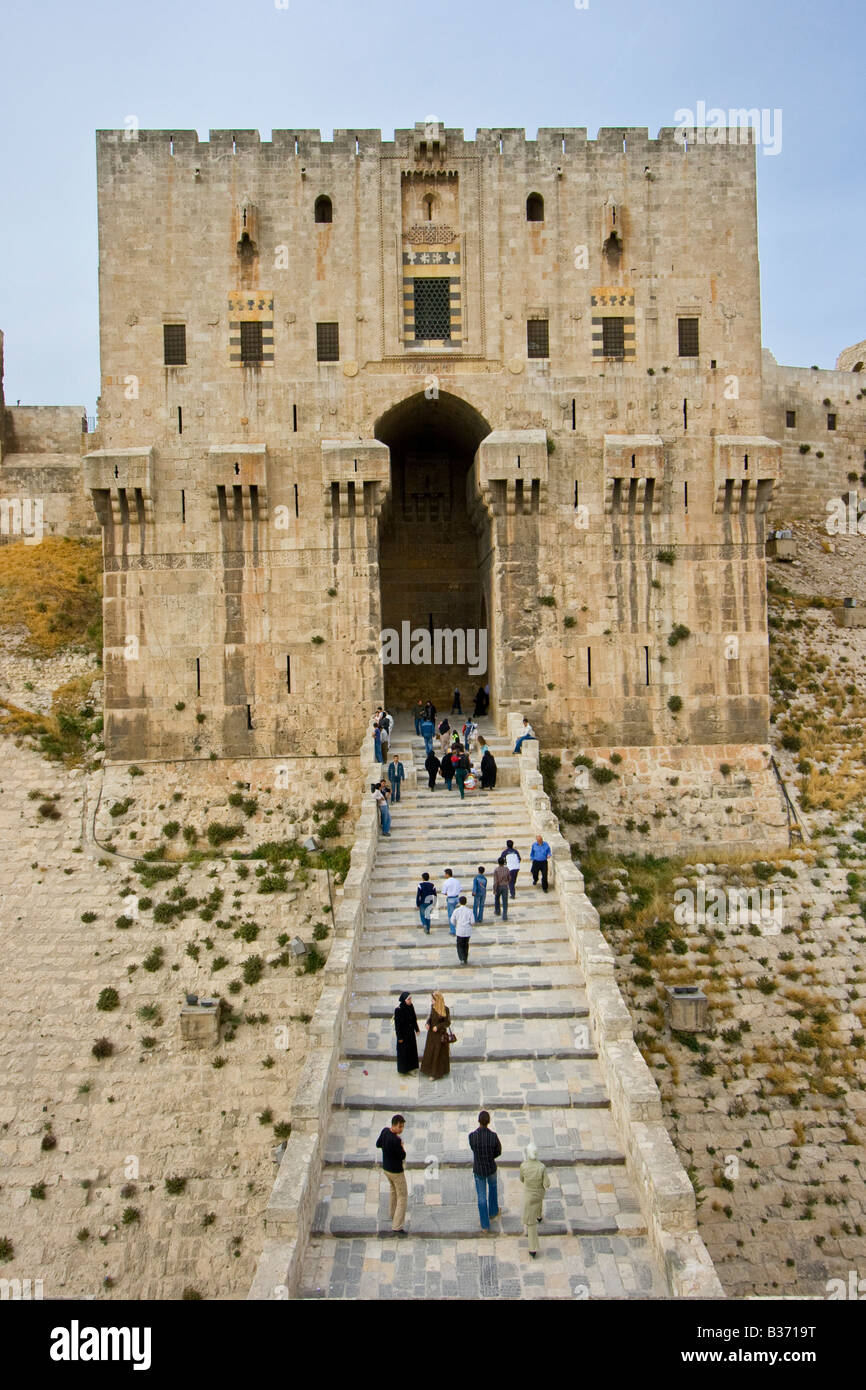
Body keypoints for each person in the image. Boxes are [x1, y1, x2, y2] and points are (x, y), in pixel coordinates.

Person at [469, 1110, 501, 1232]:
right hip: (491, 1167)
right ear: (488, 1122)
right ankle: (493, 1211)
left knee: (481, 1196)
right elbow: (499, 1151)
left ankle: (485, 1225)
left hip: (479, 1169)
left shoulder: (472, 1136)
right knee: (493, 1187)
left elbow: (473, 1148)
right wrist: (490, 1156)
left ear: (479, 1121)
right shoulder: (493, 1136)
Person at [375, 1114, 408, 1234]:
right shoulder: (396, 1140)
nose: (401, 1129)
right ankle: (397, 1225)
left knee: (393, 1190)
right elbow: (402, 1156)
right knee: (402, 1196)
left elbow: (378, 1144)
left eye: (402, 1127)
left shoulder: (384, 1132)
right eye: (400, 1127)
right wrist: (402, 1147)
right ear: (394, 1125)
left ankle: (392, 1213)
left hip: (386, 1169)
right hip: (396, 1171)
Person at [519, 1142, 551, 1258]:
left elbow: (521, 1179)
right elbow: (547, 1183)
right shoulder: (542, 1167)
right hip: (539, 1193)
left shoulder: (523, 1166)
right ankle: (539, 1215)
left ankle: (532, 1248)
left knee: (530, 1224)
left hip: (529, 1195)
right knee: (538, 1202)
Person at [420, 991, 451, 1079]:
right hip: (431, 1035)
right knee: (430, 1052)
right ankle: (428, 1070)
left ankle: (435, 1074)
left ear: (437, 1000)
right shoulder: (432, 1007)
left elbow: (447, 1022)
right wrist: (427, 1023)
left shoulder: (446, 1009)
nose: (431, 1001)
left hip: (440, 1035)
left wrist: (438, 1027)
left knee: (438, 1053)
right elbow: (430, 1018)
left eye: (433, 999)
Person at [394, 993, 419, 1074]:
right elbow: (397, 1026)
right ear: (404, 1000)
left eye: (410, 999)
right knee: (404, 1053)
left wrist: (417, 1029)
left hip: (410, 1034)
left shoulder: (411, 1006)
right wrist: (399, 1038)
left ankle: (412, 1068)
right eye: (408, 999)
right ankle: (405, 1069)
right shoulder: (399, 1010)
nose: (410, 1001)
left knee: (411, 1051)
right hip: (403, 1036)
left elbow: (414, 1019)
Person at [453, 895, 473, 965]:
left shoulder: (456, 911)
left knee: (459, 945)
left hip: (459, 930)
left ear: (459, 902)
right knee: (466, 945)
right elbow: (472, 921)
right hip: (467, 931)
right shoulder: (469, 911)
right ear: (466, 902)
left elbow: (452, 920)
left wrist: (456, 925)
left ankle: (461, 958)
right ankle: (465, 958)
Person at [442, 868, 462, 933]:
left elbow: (444, 892)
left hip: (450, 899)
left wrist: (448, 893)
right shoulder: (457, 881)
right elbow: (460, 889)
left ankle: (453, 930)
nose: (445, 875)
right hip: (457, 898)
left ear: (447, 874)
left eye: (445, 874)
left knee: (451, 915)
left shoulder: (446, 882)